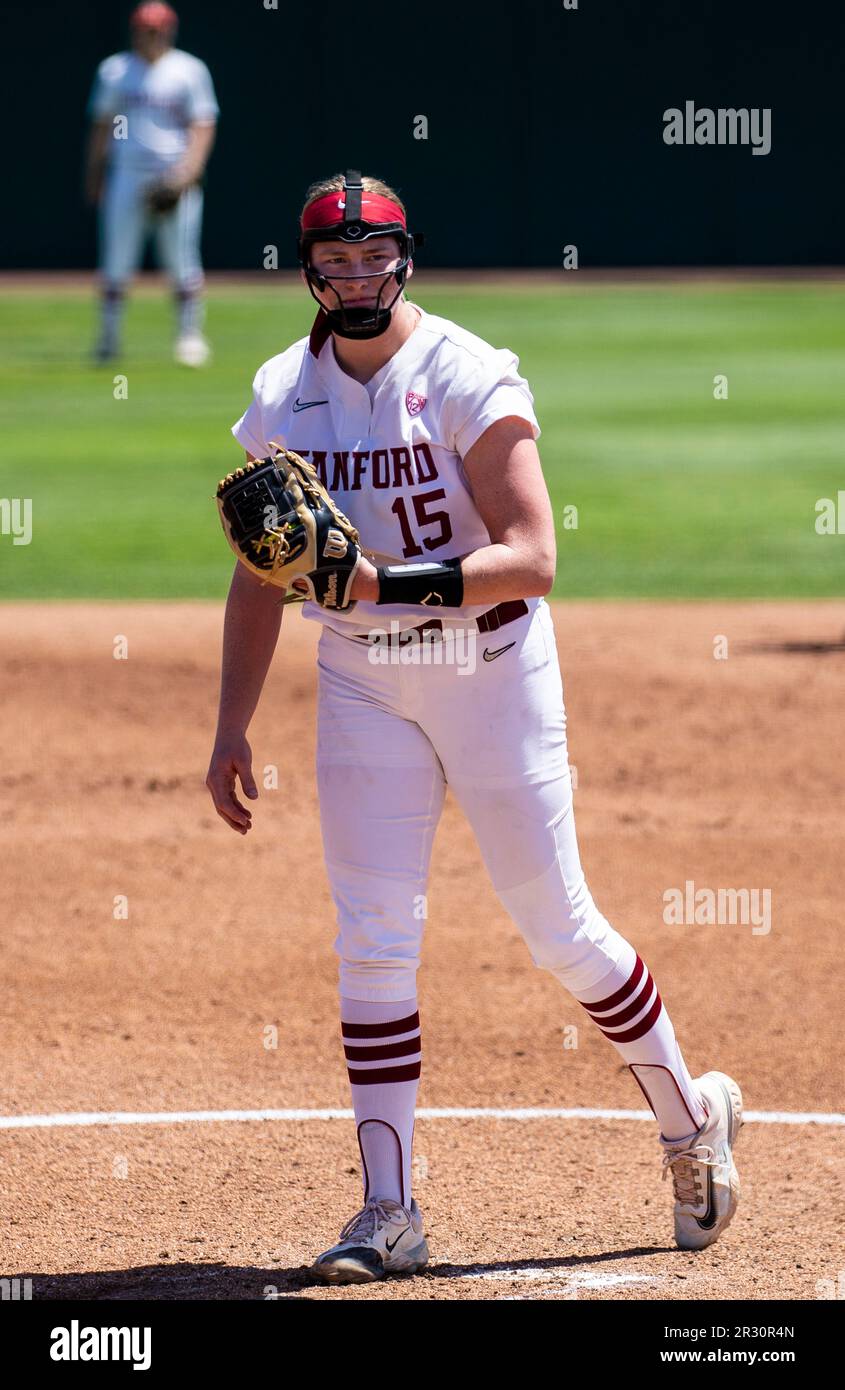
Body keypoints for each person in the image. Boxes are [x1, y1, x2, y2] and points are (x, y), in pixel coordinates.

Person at [206, 170, 744, 1285]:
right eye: (333, 261)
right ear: (306, 270)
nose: (354, 278)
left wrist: (384, 581)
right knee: (372, 936)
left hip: (489, 671)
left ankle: (689, 1121)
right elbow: (265, 575)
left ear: (405, 260)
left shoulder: (460, 372)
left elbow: (534, 557)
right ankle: (387, 1210)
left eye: (372, 258)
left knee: (557, 925)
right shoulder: (281, 392)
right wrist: (230, 725)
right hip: (360, 688)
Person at [83, 2, 218, 367]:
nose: (152, 36)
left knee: (182, 260)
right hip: (127, 172)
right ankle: (108, 339)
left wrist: (187, 172)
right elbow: (102, 125)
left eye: (158, 29)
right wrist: (95, 174)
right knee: (117, 260)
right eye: (146, 29)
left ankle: (190, 336)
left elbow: (203, 125)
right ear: (135, 31)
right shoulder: (115, 70)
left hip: (173, 175)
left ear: (170, 30)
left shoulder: (189, 70)